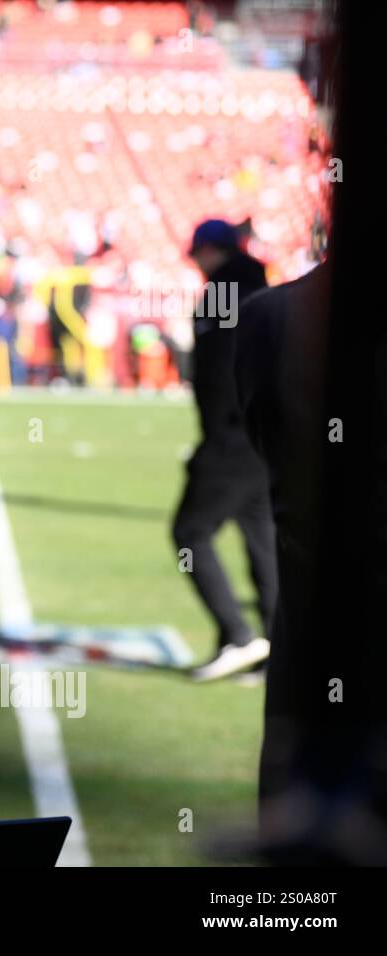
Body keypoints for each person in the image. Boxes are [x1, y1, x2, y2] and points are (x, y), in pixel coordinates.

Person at [172, 219, 277, 681]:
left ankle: (238, 635)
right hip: (266, 436)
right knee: (261, 537)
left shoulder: (225, 291)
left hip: (234, 436)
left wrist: (213, 440)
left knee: (189, 533)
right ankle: (279, 651)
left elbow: (218, 371)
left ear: (211, 251)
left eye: (197, 255)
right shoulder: (263, 289)